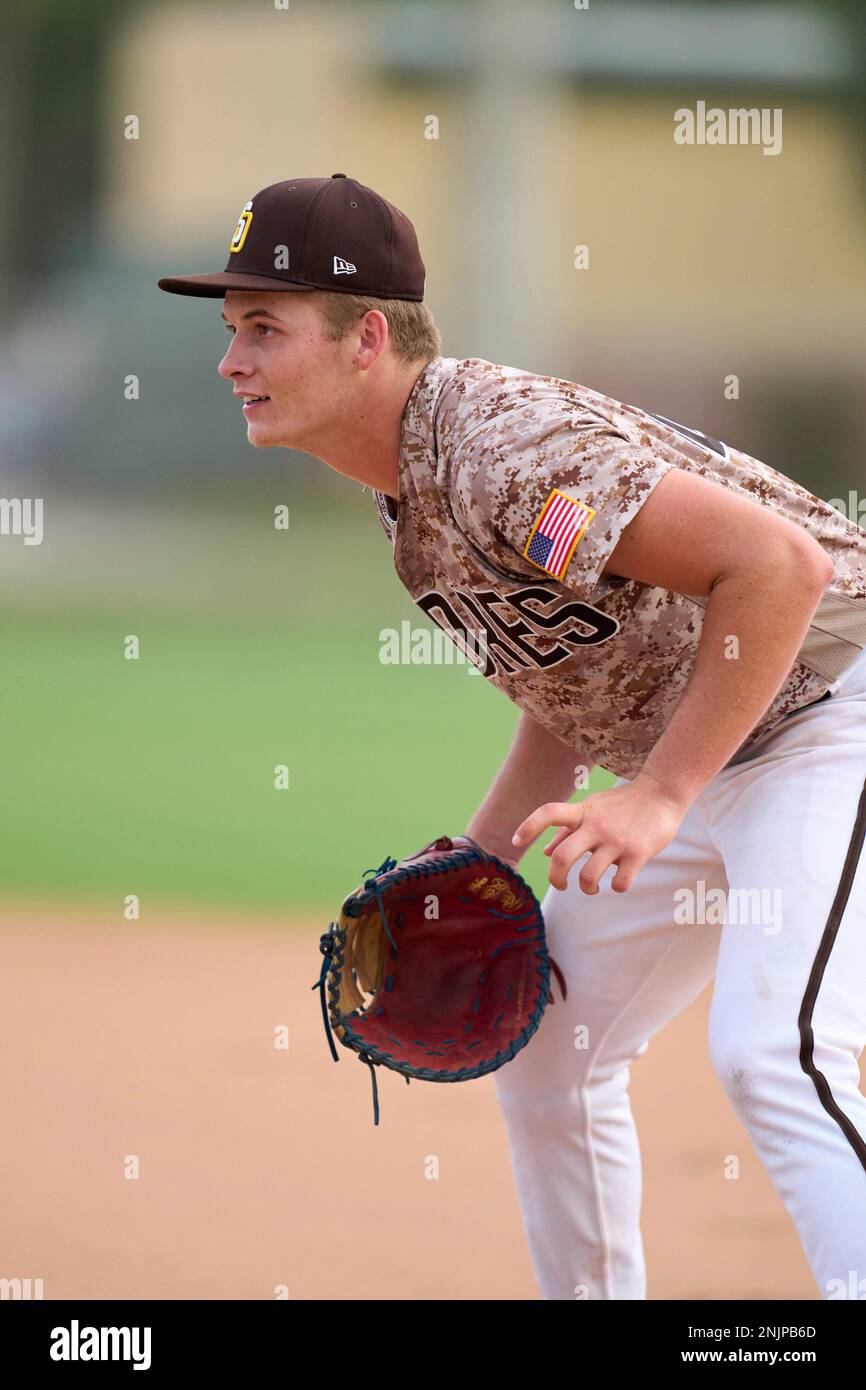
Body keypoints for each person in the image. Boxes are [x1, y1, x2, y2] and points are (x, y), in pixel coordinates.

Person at [159, 174, 866, 1300]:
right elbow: (572, 680)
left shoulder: (499, 449)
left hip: (834, 702)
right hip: (721, 737)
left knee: (771, 1046)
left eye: (261, 327)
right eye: (231, 328)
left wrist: (660, 794)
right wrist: (480, 859)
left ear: (366, 338)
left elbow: (780, 568)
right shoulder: (410, 494)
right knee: (554, 1047)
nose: (229, 361)